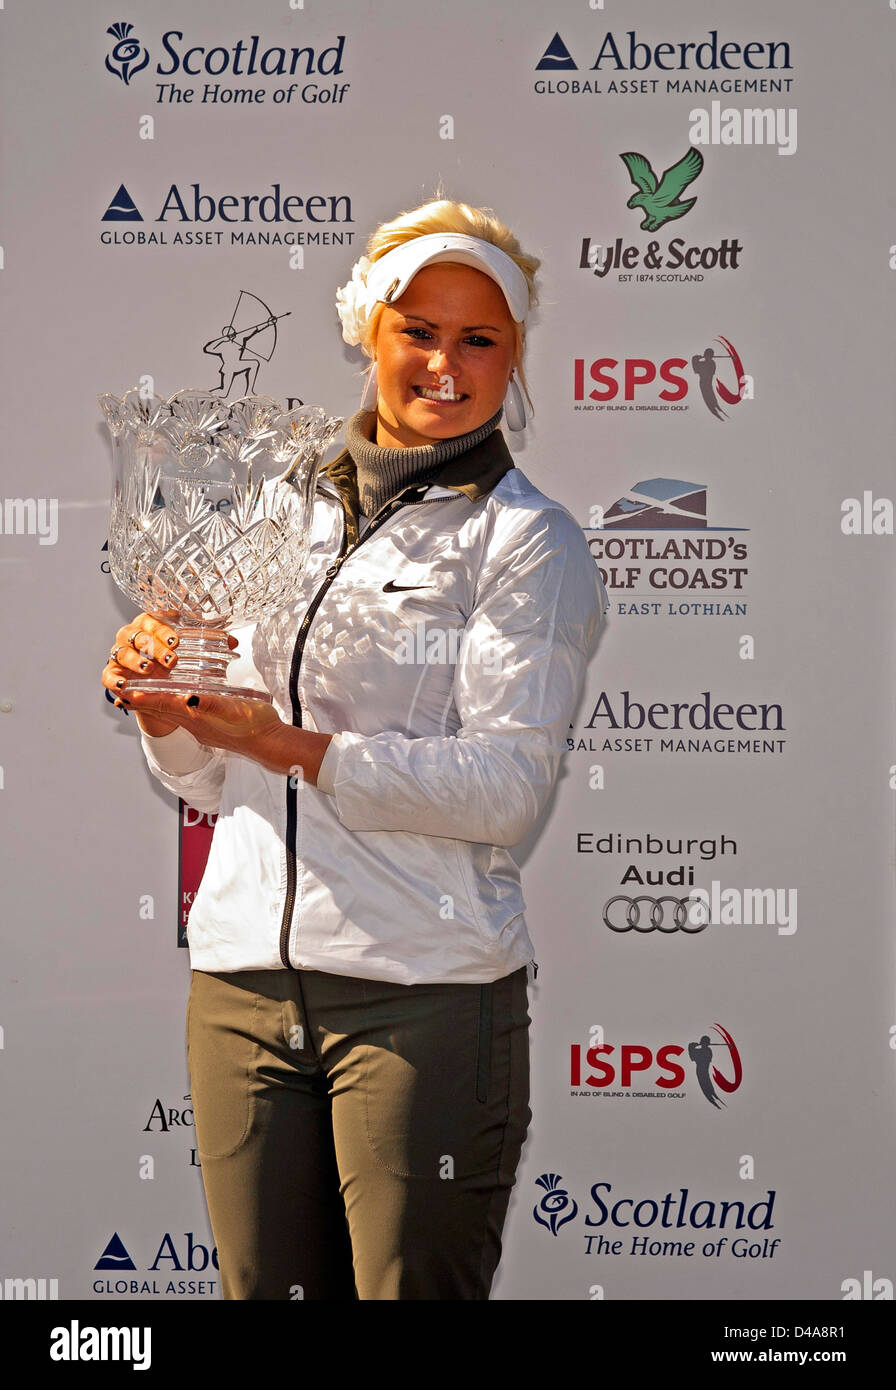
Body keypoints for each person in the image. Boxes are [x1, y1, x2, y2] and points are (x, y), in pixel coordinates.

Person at [102, 198, 606, 1300]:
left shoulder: (527, 540)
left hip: (421, 995)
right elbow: (204, 774)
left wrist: (288, 743)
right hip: (237, 982)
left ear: (512, 357)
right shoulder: (281, 508)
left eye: (478, 339)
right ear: (366, 333)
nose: (443, 363)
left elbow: (504, 791)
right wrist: (163, 708)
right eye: (417, 329)